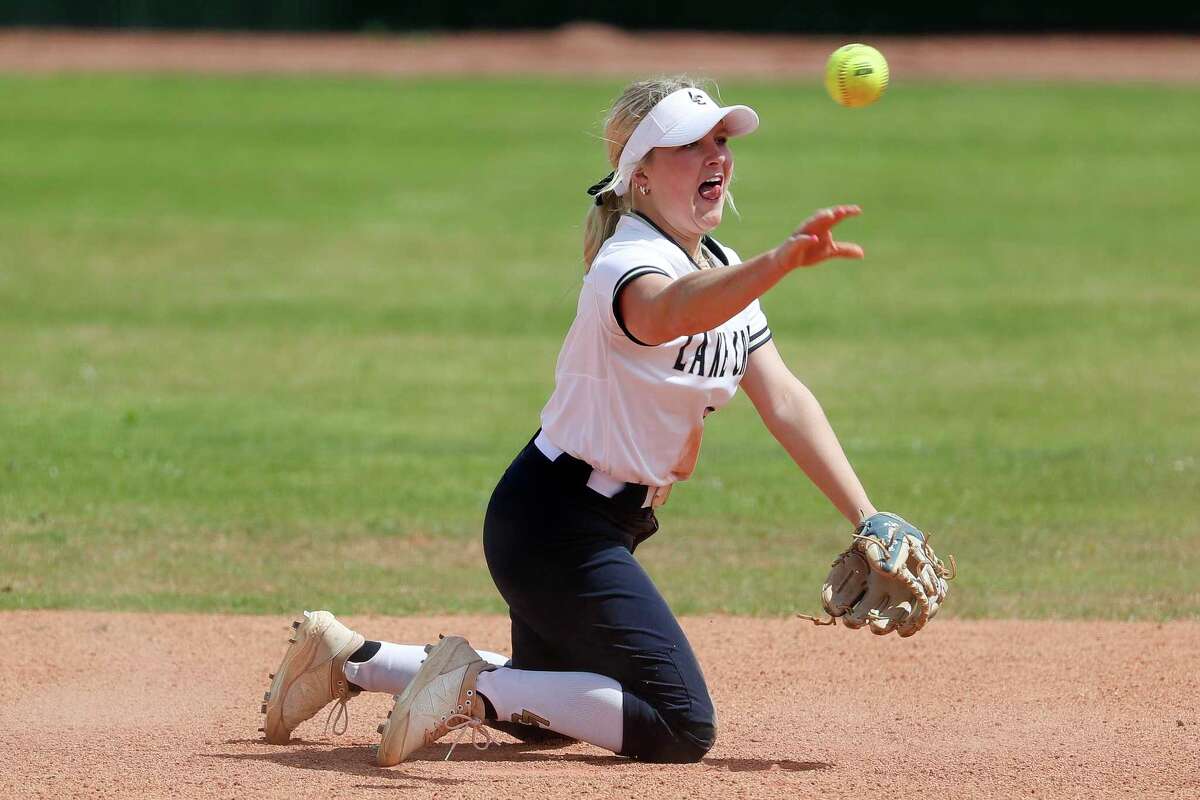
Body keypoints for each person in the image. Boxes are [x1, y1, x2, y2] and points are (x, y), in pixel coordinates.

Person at [261, 76, 878, 766]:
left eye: (722, 140)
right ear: (638, 175)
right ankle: (465, 687)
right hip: (557, 527)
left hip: (589, 523)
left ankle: (351, 659)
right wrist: (776, 265)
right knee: (679, 726)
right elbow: (671, 310)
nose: (717, 156)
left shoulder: (721, 266)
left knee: (556, 707)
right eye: (689, 144)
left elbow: (784, 398)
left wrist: (868, 516)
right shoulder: (628, 263)